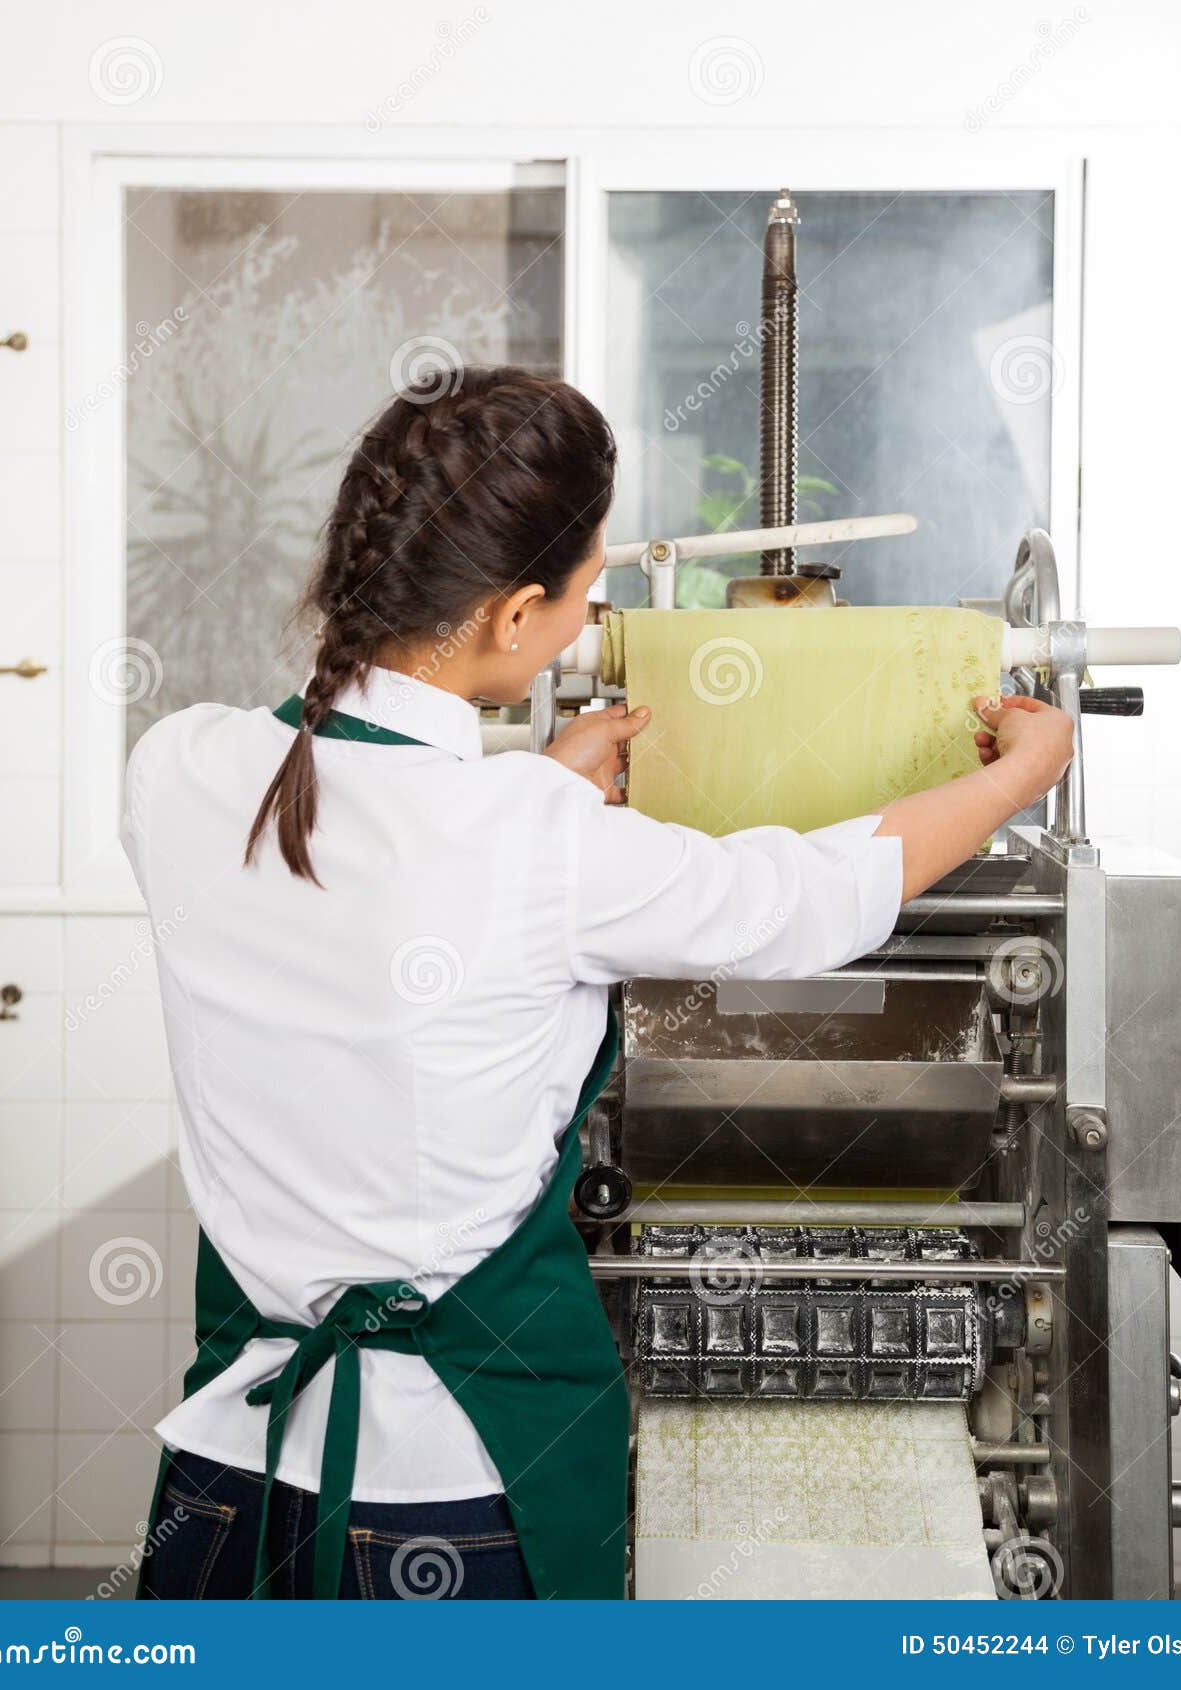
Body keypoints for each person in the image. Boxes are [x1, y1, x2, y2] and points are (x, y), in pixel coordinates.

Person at [122, 365, 1072, 1601]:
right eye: (582, 594)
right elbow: (801, 898)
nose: (588, 620)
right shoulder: (532, 841)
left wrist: (551, 787)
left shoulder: (176, 768)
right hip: (454, 1484)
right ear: (516, 616)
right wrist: (1013, 778)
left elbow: (375, 876)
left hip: (228, 1476)